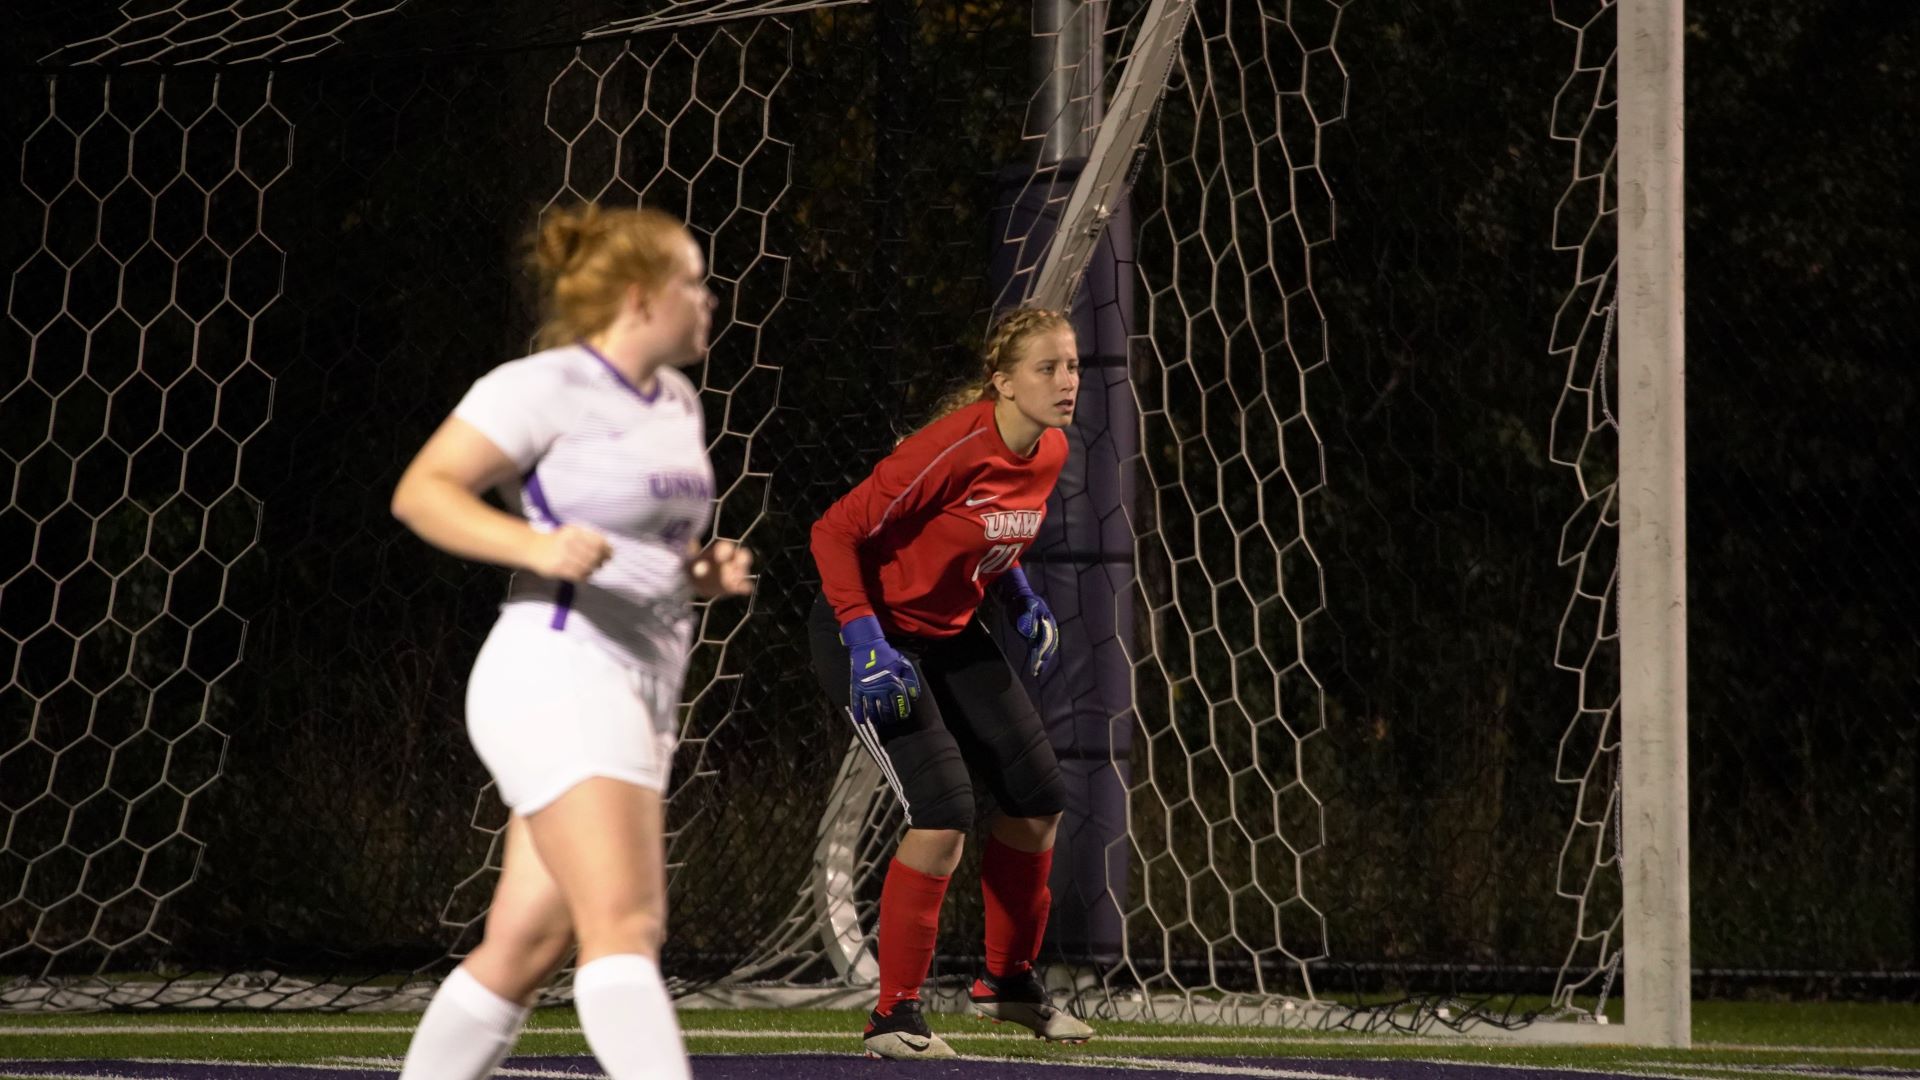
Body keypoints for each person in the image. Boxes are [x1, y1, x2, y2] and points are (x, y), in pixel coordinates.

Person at [389, 203, 751, 1080]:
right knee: (625, 927)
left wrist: (696, 573)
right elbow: (424, 491)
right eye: (693, 282)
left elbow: (643, 541)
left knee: (523, 944)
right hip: (557, 671)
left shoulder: (675, 398)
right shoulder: (537, 386)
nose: (709, 299)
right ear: (639, 298)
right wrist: (536, 546)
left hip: (635, 684)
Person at [808, 305, 1096, 1059]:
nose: (1067, 381)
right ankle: (893, 1018)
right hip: (868, 631)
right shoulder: (951, 447)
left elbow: (992, 529)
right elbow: (833, 530)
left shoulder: (1051, 448)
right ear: (1000, 382)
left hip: (948, 632)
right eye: (1048, 368)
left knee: (1037, 801)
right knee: (943, 812)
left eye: (1072, 365)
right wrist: (865, 640)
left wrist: (1019, 597)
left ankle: (1006, 984)